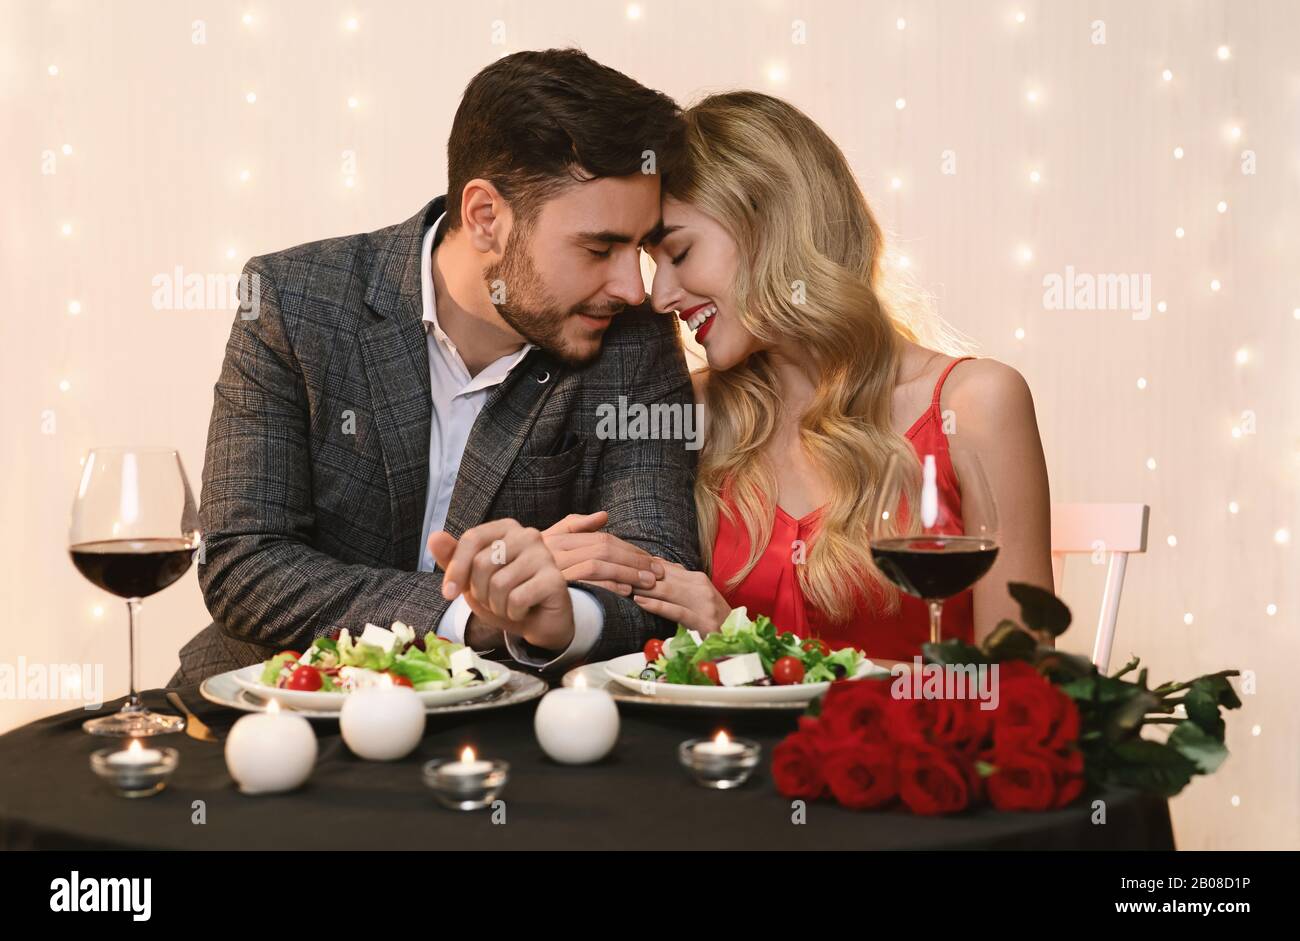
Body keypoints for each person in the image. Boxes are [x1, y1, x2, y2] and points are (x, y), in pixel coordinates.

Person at [170, 49, 699, 684]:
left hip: (501, 743)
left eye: (637, 247)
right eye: (599, 248)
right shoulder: (294, 299)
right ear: (485, 217)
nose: (633, 288)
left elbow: (656, 567)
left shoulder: (634, 342)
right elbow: (243, 563)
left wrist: (565, 618)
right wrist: (470, 617)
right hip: (267, 709)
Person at [567, 91, 1054, 667]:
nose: (660, 295)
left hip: (916, 757)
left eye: (679, 252)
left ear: (771, 226)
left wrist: (757, 651)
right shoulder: (689, 414)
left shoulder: (977, 405)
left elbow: (1022, 688)